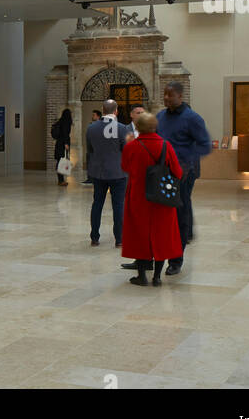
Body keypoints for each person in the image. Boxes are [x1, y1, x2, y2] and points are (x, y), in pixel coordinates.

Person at [120, 112, 183, 286]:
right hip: (162, 198)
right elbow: (177, 172)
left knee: (139, 235)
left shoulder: (131, 146)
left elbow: (125, 167)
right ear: (155, 126)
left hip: (138, 197)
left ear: (138, 127)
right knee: (161, 234)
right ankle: (157, 277)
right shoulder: (166, 146)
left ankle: (141, 276)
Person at [156, 82, 212, 275]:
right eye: (164, 94)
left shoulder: (192, 118)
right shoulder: (160, 117)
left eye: (169, 95)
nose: (165, 98)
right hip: (163, 172)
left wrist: (186, 161)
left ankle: (176, 260)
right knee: (161, 214)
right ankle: (150, 258)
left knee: (179, 214)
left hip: (183, 173)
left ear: (180, 96)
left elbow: (205, 145)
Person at [86, 99, 129, 248]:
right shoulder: (123, 128)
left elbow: (90, 150)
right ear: (116, 111)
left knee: (97, 203)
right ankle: (119, 239)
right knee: (118, 206)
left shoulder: (91, 128)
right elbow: (127, 151)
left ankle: (94, 237)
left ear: (102, 110)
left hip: (98, 172)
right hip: (118, 172)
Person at [51, 107, 72, 186]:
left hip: (59, 143)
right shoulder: (66, 122)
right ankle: (61, 180)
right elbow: (65, 134)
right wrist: (66, 143)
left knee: (60, 161)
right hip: (63, 144)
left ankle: (61, 180)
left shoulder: (60, 121)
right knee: (61, 162)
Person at [82, 109, 101, 184]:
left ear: (98, 116)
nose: (92, 116)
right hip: (90, 147)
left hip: (97, 148)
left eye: (94, 115)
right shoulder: (91, 124)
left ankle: (94, 178)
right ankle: (90, 178)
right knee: (89, 163)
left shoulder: (100, 125)